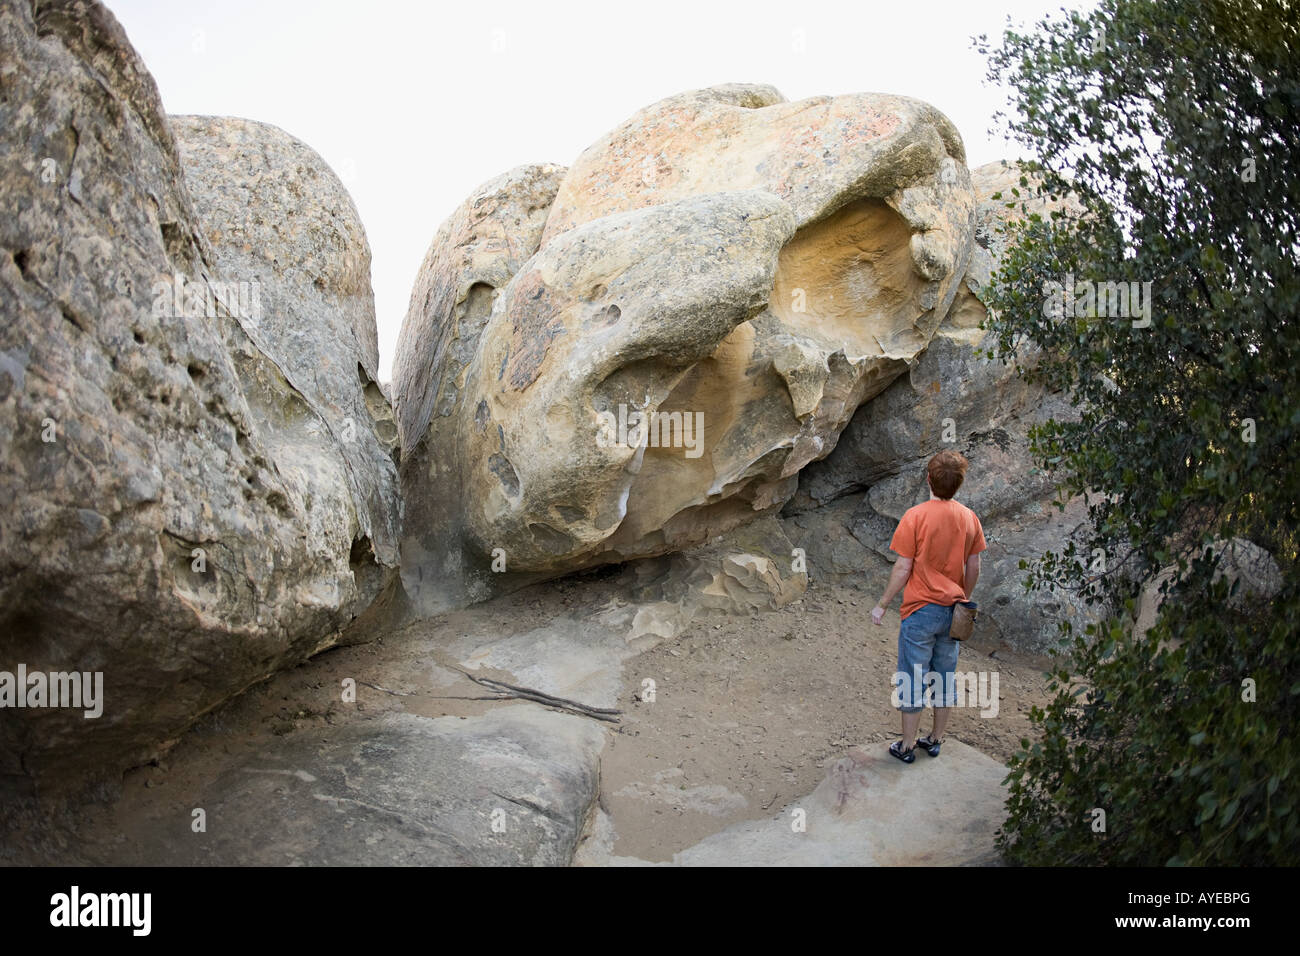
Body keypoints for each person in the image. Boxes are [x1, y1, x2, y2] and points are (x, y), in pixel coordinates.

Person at [870, 450, 986, 763]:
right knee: (944, 674)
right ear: (959, 485)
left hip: (920, 611)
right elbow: (973, 564)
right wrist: (963, 594)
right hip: (953, 612)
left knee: (912, 674)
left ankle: (907, 745)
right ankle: (935, 739)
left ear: (928, 480)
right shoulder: (968, 517)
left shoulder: (916, 516)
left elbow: (903, 568)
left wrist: (883, 604)